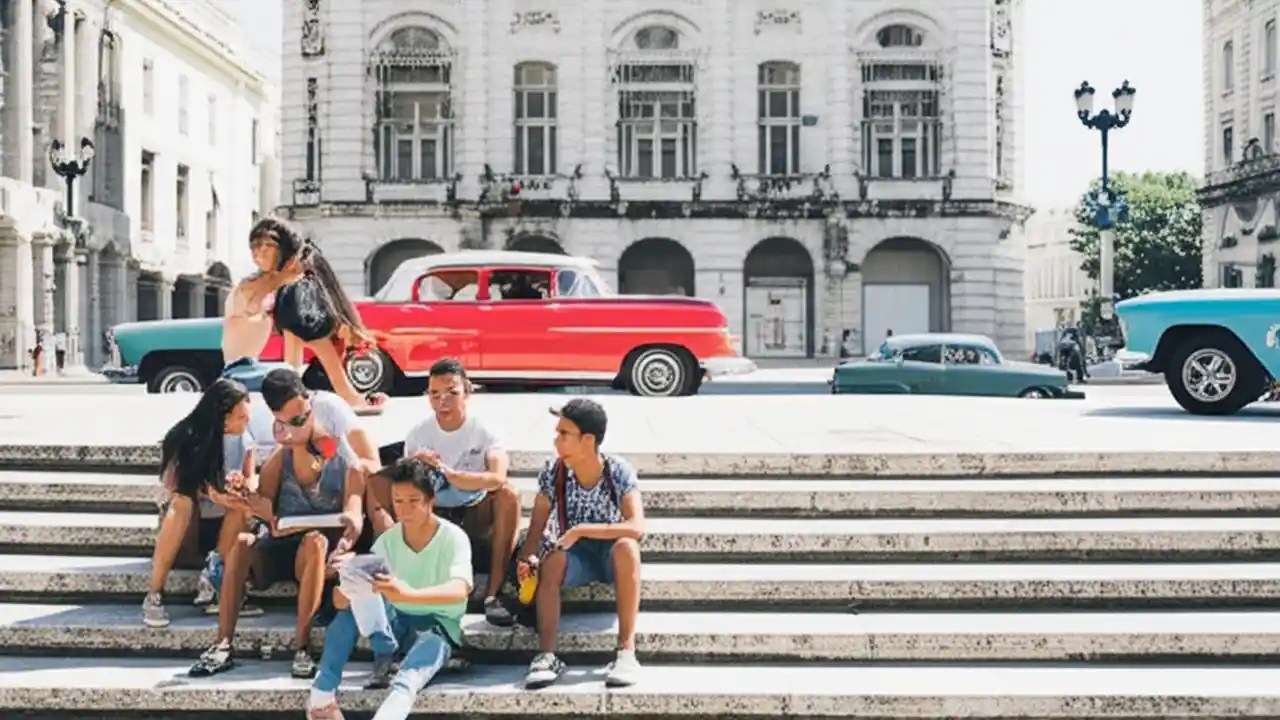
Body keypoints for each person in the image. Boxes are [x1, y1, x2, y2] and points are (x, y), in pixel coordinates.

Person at [188, 370, 373, 679]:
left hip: (319, 552)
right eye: (292, 423)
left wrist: (350, 526)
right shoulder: (279, 459)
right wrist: (250, 500)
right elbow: (262, 506)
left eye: (304, 419)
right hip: (280, 544)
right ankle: (222, 644)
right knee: (243, 542)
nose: (301, 428)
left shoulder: (342, 458)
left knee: (315, 541)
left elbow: (354, 506)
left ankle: (302, 647)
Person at [306, 458, 472, 720]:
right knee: (347, 613)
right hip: (395, 621)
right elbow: (350, 598)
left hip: (438, 625)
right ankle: (322, 698)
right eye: (398, 500)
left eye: (413, 501)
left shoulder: (453, 537)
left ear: (431, 502)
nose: (404, 509)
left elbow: (460, 589)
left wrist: (409, 595)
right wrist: (345, 589)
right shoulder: (388, 540)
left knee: (408, 679)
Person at [373, 357, 518, 627]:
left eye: (452, 393)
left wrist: (450, 473)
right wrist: (417, 465)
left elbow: (497, 477)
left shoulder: (485, 431)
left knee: (509, 495)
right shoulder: (419, 434)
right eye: (435, 394)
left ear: (467, 392)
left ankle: (493, 593)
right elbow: (407, 487)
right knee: (379, 483)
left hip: (474, 510)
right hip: (435, 514)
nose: (443, 401)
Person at [516, 398, 645, 689]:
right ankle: (547, 656)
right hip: (575, 556)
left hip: (611, 551)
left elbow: (636, 526)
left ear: (587, 439)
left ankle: (626, 652)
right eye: (557, 433)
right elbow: (537, 524)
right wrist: (526, 561)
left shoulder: (618, 471)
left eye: (564, 434)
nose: (556, 440)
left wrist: (583, 529)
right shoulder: (554, 471)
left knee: (627, 547)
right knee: (554, 559)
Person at [141, 378, 262, 628]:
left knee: (241, 507)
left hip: (223, 529)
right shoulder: (183, 437)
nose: (246, 422)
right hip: (188, 528)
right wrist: (215, 494)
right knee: (182, 504)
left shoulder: (244, 439)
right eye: (241, 417)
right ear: (223, 418)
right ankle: (154, 593)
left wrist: (242, 487)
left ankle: (213, 575)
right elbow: (177, 487)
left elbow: (251, 479)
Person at [249, 217, 387, 415]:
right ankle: (344, 397)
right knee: (309, 355)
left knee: (298, 357)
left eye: (265, 247)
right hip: (299, 310)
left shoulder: (294, 276)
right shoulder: (299, 273)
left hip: (295, 309)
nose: (258, 253)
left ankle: (293, 399)